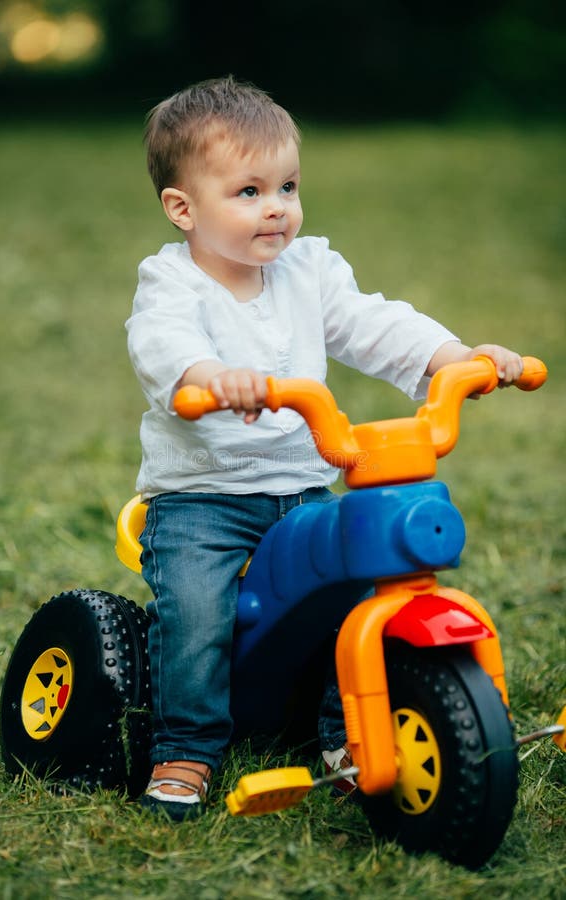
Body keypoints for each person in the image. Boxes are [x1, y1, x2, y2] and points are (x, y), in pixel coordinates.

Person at [126, 76, 523, 821]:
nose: (275, 206)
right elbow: (161, 344)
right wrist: (208, 375)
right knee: (198, 615)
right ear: (184, 208)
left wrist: (449, 356)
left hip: (302, 488)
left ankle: (347, 737)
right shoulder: (173, 283)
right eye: (247, 191)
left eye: (287, 185)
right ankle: (186, 748)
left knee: (352, 593)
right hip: (204, 498)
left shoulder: (308, 270)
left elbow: (375, 323)